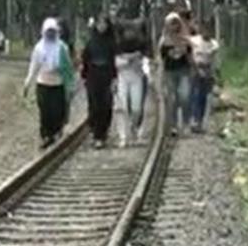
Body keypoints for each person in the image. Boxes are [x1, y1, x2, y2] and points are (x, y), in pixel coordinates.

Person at [23, 17, 76, 148]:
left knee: (57, 111)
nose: (50, 34)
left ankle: (55, 132)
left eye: (53, 31)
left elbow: (68, 68)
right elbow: (34, 66)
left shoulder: (62, 47)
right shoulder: (39, 48)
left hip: (58, 84)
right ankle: (46, 135)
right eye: (48, 31)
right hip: (43, 84)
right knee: (45, 111)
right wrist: (27, 82)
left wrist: (70, 85)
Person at [113, 17, 151, 147]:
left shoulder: (141, 44)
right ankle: (123, 136)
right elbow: (115, 62)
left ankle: (134, 127)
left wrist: (144, 68)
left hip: (137, 76)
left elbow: (146, 61)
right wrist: (127, 60)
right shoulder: (117, 44)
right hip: (122, 76)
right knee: (121, 107)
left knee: (136, 108)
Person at [82, 14, 117, 148]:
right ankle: (95, 132)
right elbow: (86, 58)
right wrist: (84, 75)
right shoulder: (91, 41)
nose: (101, 26)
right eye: (99, 24)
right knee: (94, 105)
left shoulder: (112, 42)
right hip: (93, 75)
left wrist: (115, 78)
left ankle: (101, 133)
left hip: (107, 75)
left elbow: (115, 61)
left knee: (106, 105)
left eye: (104, 24)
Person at [159, 10, 193, 135]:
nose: (174, 27)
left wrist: (193, 67)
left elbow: (190, 55)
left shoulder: (186, 39)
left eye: (176, 24)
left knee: (184, 96)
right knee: (172, 98)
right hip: (169, 71)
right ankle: (173, 125)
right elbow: (162, 58)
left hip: (184, 70)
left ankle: (185, 123)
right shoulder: (164, 41)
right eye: (171, 24)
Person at [189, 23, 220, 133]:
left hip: (208, 72)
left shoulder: (214, 45)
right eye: (205, 30)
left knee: (203, 98)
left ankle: (200, 121)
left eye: (209, 31)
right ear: (201, 30)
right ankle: (194, 119)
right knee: (195, 95)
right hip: (196, 70)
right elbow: (189, 54)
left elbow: (215, 61)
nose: (207, 33)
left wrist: (216, 75)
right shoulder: (194, 41)